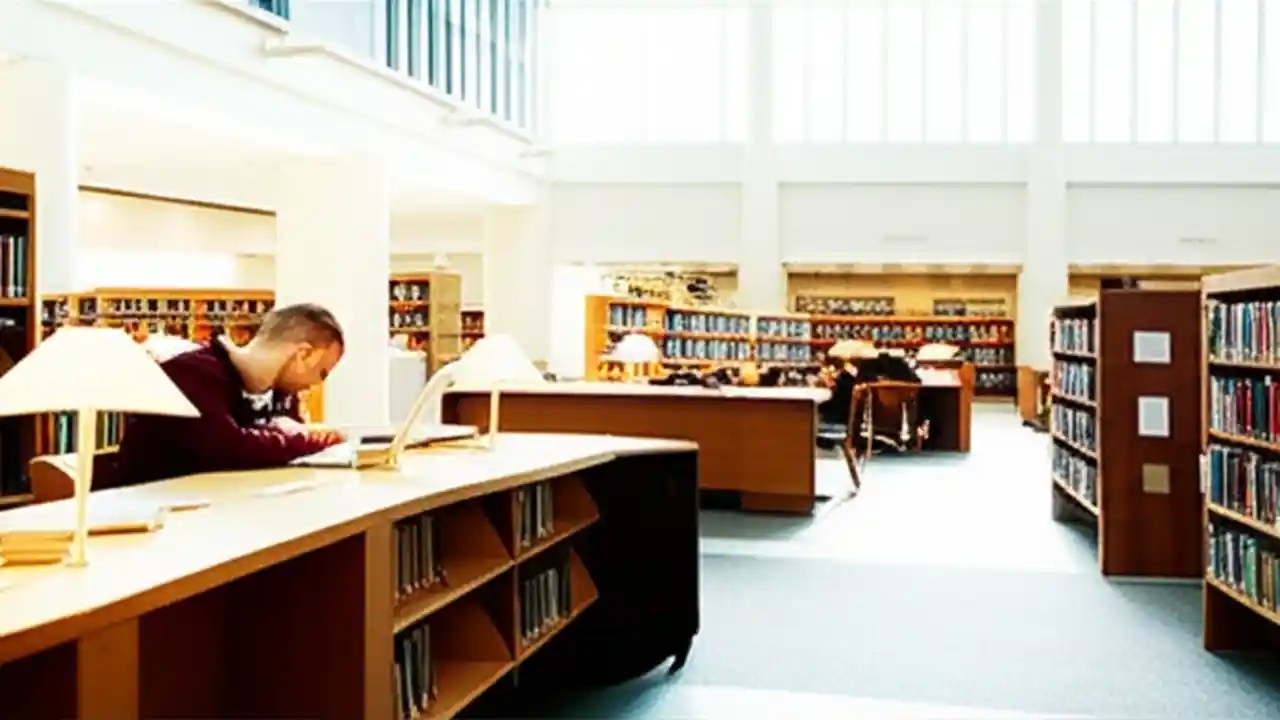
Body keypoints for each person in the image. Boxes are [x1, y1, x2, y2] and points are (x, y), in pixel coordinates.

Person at [95, 303, 348, 489]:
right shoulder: (191, 373)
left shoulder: (277, 396)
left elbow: (277, 442)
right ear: (303, 355)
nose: (315, 384)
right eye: (322, 373)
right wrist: (315, 441)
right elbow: (228, 448)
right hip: (150, 525)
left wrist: (299, 438)